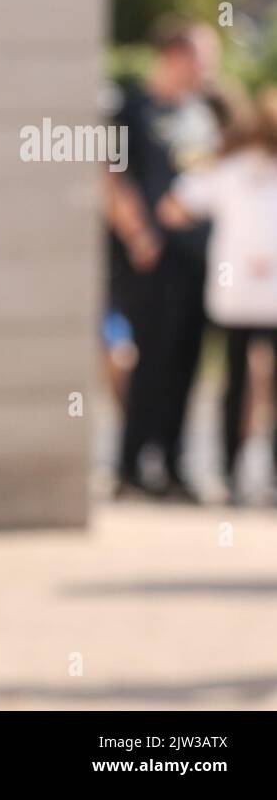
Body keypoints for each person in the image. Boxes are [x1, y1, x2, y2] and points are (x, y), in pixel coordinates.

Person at [103, 16, 221, 502]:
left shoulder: (203, 113)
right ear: (173, 55)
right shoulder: (132, 109)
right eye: (200, 55)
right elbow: (110, 175)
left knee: (186, 363)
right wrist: (137, 234)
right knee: (148, 362)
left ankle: (173, 465)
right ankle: (131, 467)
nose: (207, 67)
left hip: (197, 261)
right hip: (148, 262)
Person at [156, 87, 277, 506]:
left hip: (237, 296)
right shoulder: (230, 171)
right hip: (249, 297)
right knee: (252, 386)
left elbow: (175, 207)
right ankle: (246, 474)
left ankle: (230, 472)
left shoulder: (226, 170)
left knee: (236, 386)